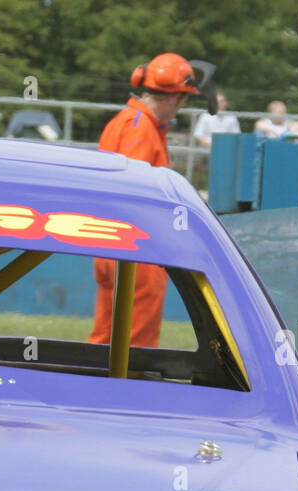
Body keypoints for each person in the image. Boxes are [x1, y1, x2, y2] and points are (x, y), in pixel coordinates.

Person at [88, 52, 204, 349]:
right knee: (135, 344)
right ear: (174, 97)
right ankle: (129, 390)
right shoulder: (140, 127)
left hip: (113, 243)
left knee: (106, 339)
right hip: (136, 247)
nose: (181, 109)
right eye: (184, 101)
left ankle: (90, 390)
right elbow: (134, 192)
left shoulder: (130, 122)